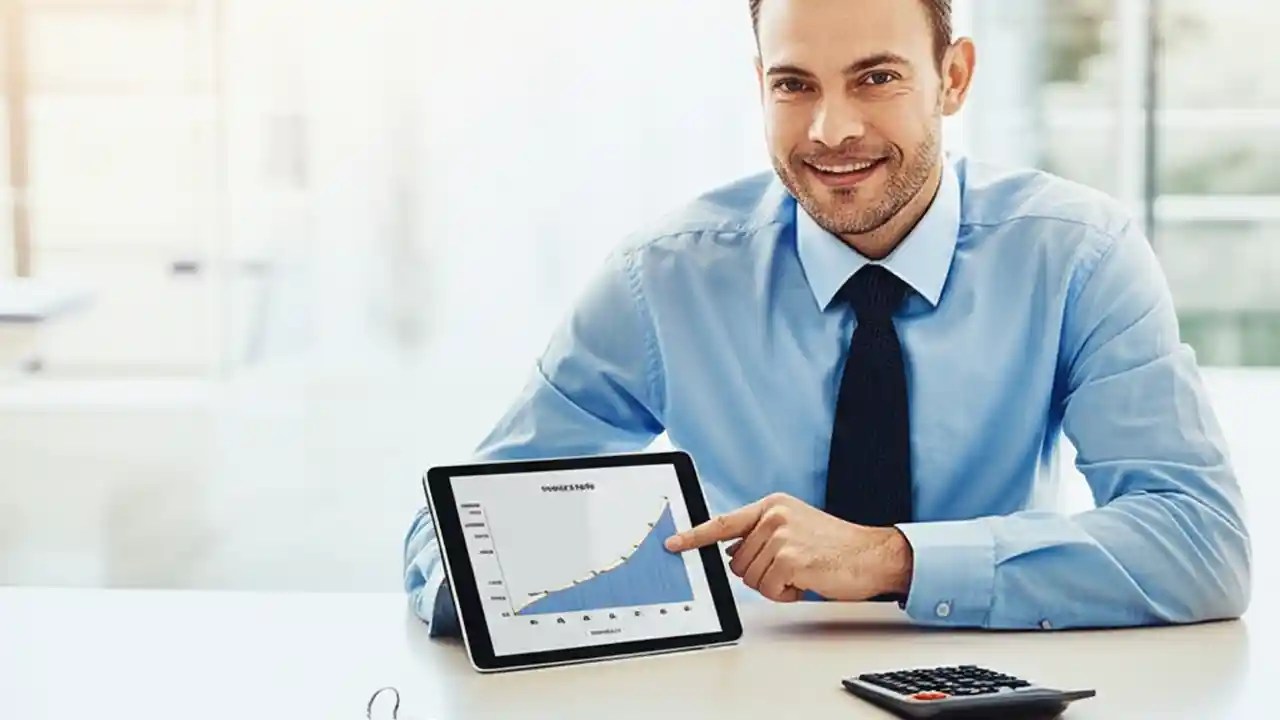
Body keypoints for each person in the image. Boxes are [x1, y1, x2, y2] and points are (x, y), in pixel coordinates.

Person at [404, 0, 1251, 636]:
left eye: (876, 78)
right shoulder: (662, 279)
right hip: (738, 696)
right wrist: (581, 567)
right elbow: (442, 540)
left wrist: (890, 557)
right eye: (794, 84)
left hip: (988, 688)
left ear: (953, 78)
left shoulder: (1077, 257)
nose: (830, 129)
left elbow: (1201, 544)